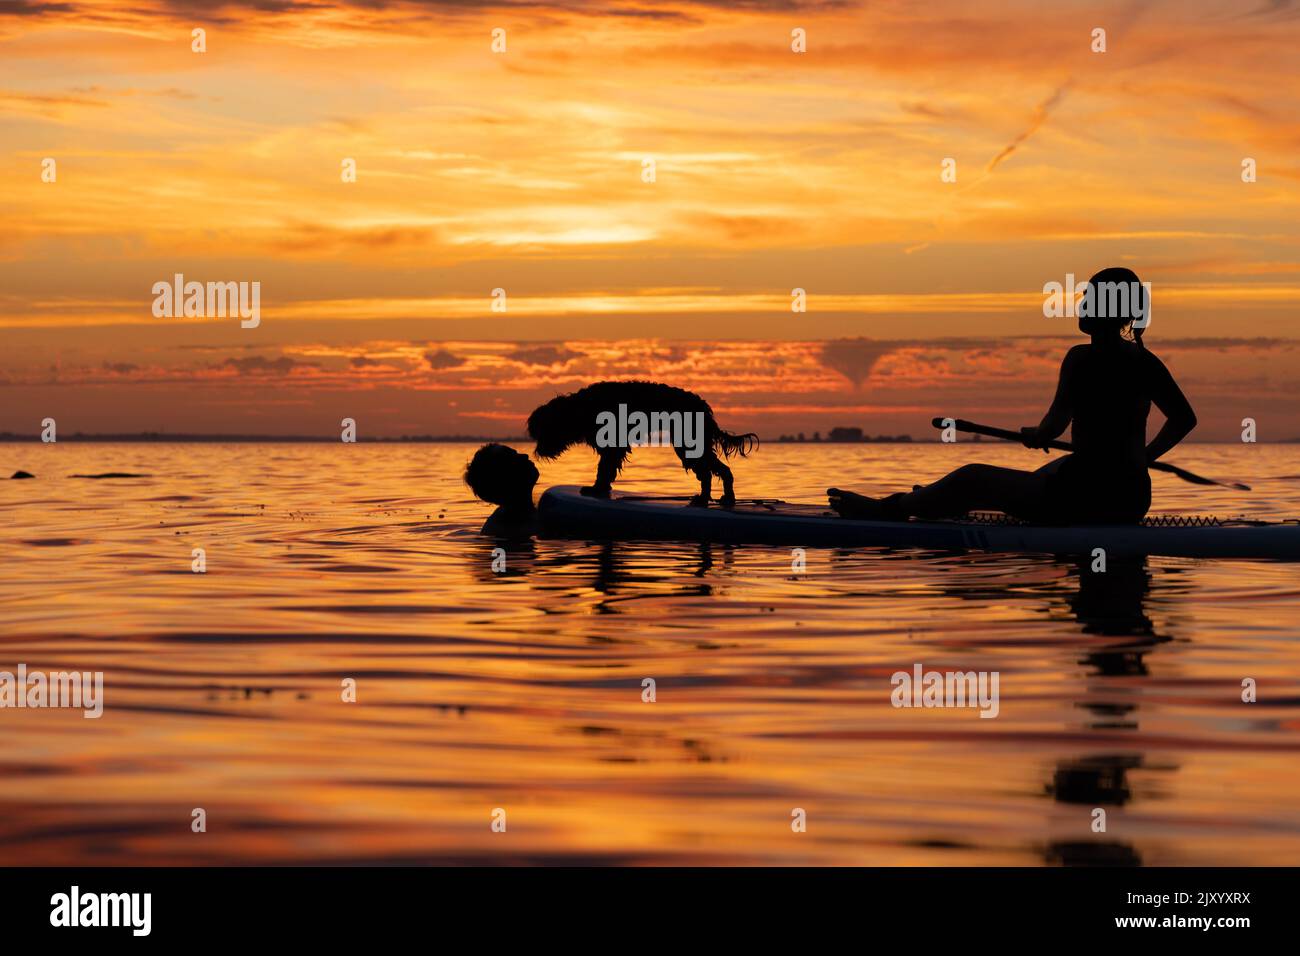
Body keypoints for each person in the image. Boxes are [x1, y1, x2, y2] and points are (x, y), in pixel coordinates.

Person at [828, 267, 1197, 525]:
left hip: (1087, 496)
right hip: (1132, 498)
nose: (1082, 300)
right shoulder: (1147, 362)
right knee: (1052, 471)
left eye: (1090, 295)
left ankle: (890, 508)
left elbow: (1053, 428)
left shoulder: (1081, 359)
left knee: (972, 477)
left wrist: (1036, 434)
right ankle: (939, 498)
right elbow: (1184, 419)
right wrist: (1142, 458)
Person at [464, 443, 540, 537]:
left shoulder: (527, 513)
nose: (525, 456)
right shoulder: (510, 528)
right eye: (514, 458)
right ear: (504, 477)